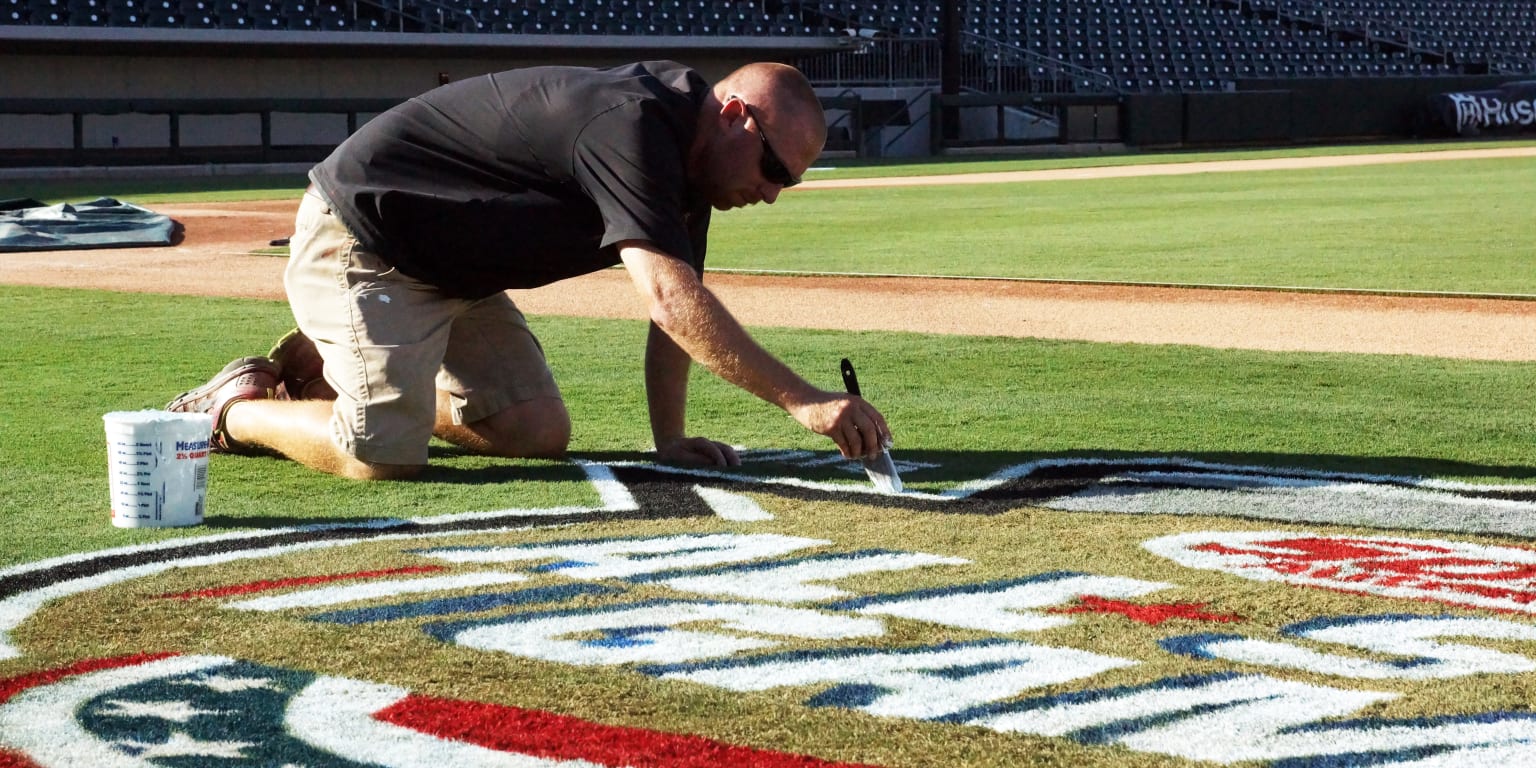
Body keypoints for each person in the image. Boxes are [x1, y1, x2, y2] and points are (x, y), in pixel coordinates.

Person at [167, 60, 892, 480]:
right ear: (734, 113)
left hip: (454, 274)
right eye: (772, 167)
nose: (769, 191)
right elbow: (670, 301)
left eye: (787, 183)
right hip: (366, 238)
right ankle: (231, 409)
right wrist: (805, 401)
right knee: (381, 452)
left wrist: (668, 439)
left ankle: (328, 366)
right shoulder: (634, 125)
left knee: (534, 430)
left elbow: (677, 309)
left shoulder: (695, 170)